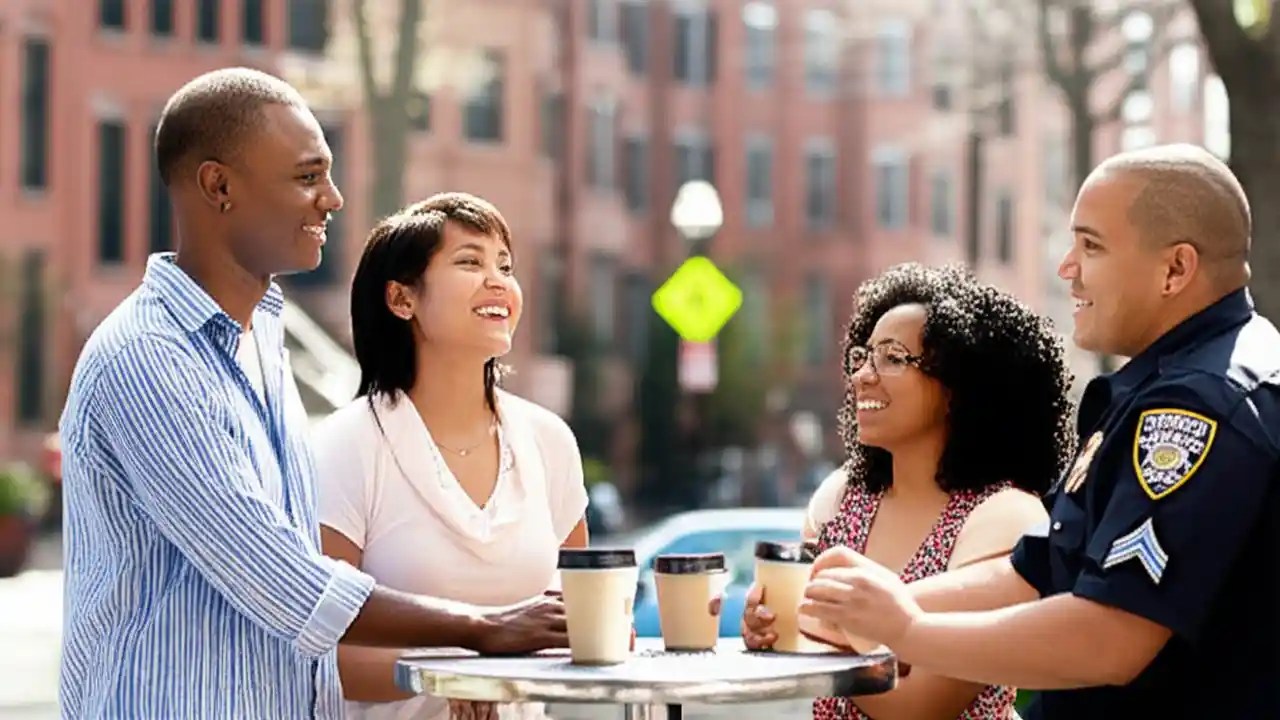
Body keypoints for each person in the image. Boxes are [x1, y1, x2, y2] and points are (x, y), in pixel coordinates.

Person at [56, 68, 566, 720]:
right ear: (220, 187)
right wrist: (482, 629)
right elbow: (281, 579)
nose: (333, 198)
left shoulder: (261, 342)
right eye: (306, 177)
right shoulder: (149, 359)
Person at [801, 143, 1280, 719]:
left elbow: (1112, 636)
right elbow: (1041, 570)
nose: (1066, 268)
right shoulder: (1169, 383)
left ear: (1175, 269)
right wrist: (849, 611)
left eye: (1091, 245)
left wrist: (907, 630)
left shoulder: (1200, 403)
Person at [730, 263, 1077, 719]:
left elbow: (923, 706)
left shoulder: (1007, 517)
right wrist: (768, 628)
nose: (862, 377)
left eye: (892, 358)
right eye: (863, 356)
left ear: (959, 386)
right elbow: (802, 629)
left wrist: (824, 632)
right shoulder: (839, 497)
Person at [314, 193, 590, 720]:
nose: (498, 281)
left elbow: (577, 620)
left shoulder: (549, 441)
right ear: (402, 299)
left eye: (505, 266)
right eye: (469, 262)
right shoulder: (348, 444)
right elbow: (320, 646)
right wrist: (462, 672)